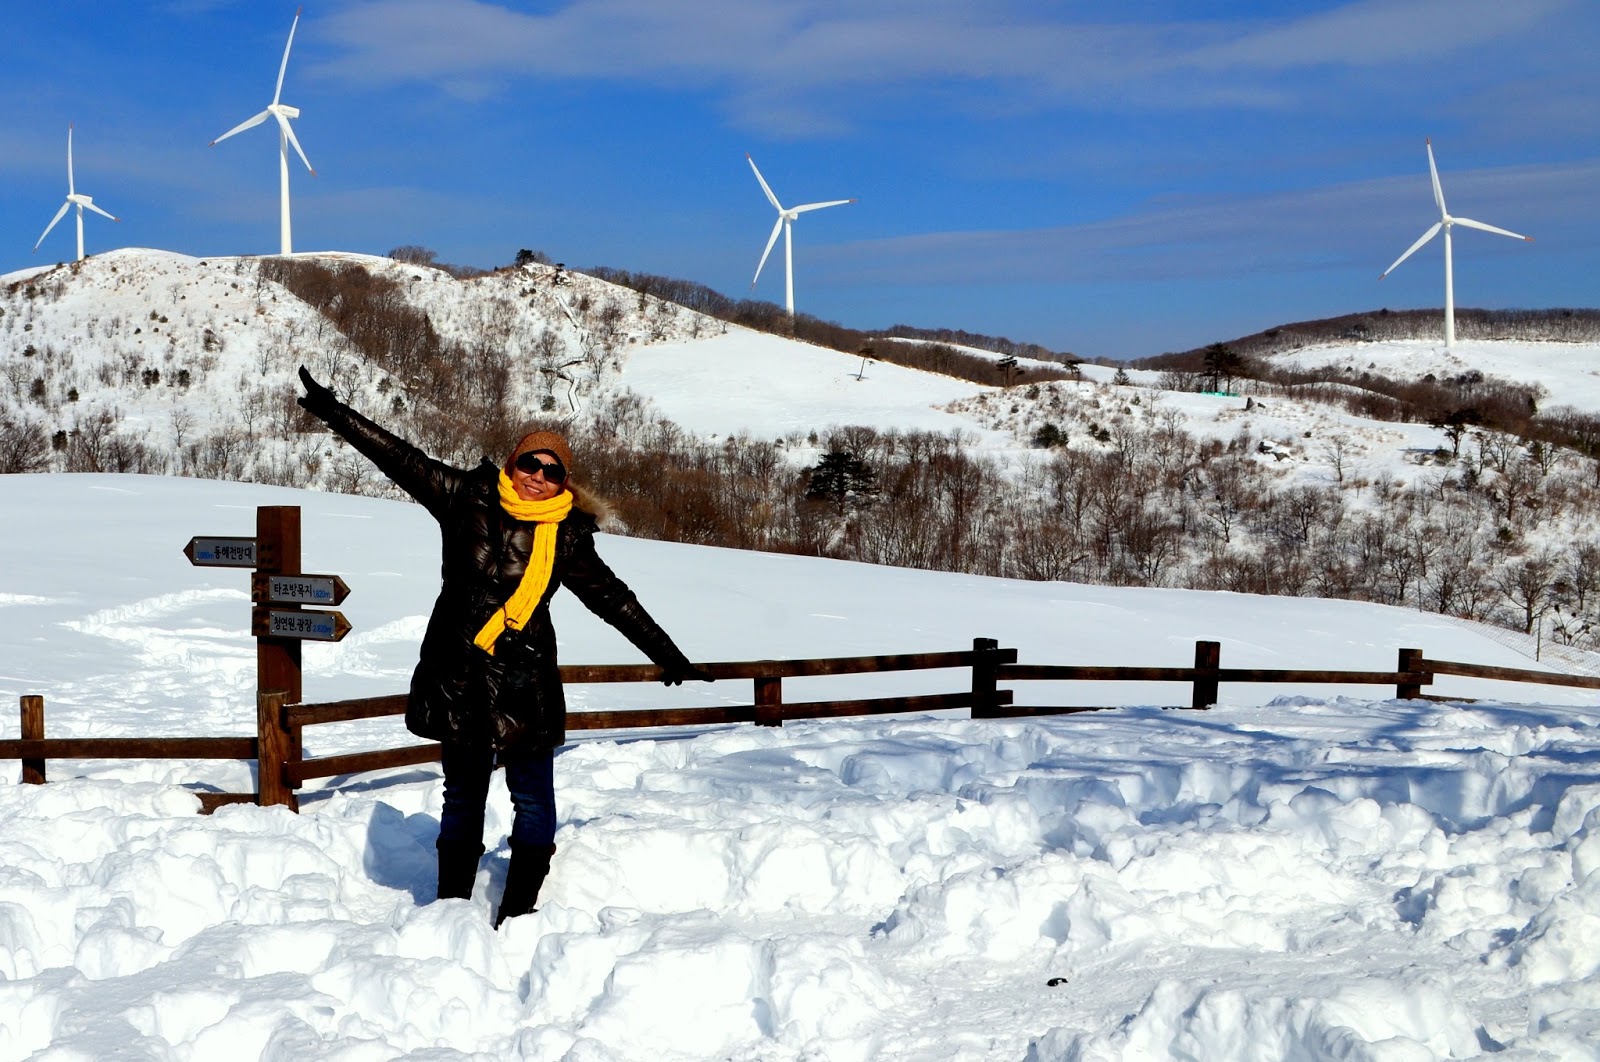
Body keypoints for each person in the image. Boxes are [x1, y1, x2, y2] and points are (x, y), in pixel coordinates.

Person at [296, 367, 712, 926]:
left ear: (565, 482)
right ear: (512, 462)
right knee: (462, 796)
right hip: (460, 671)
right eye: (529, 463)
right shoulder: (462, 497)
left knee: (533, 798)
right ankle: (450, 911)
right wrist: (334, 412)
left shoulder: (565, 534)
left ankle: (518, 914)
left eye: (552, 471)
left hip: (525, 678)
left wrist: (667, 653)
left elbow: (611, 597)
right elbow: (400, 457)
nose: (539, 476)